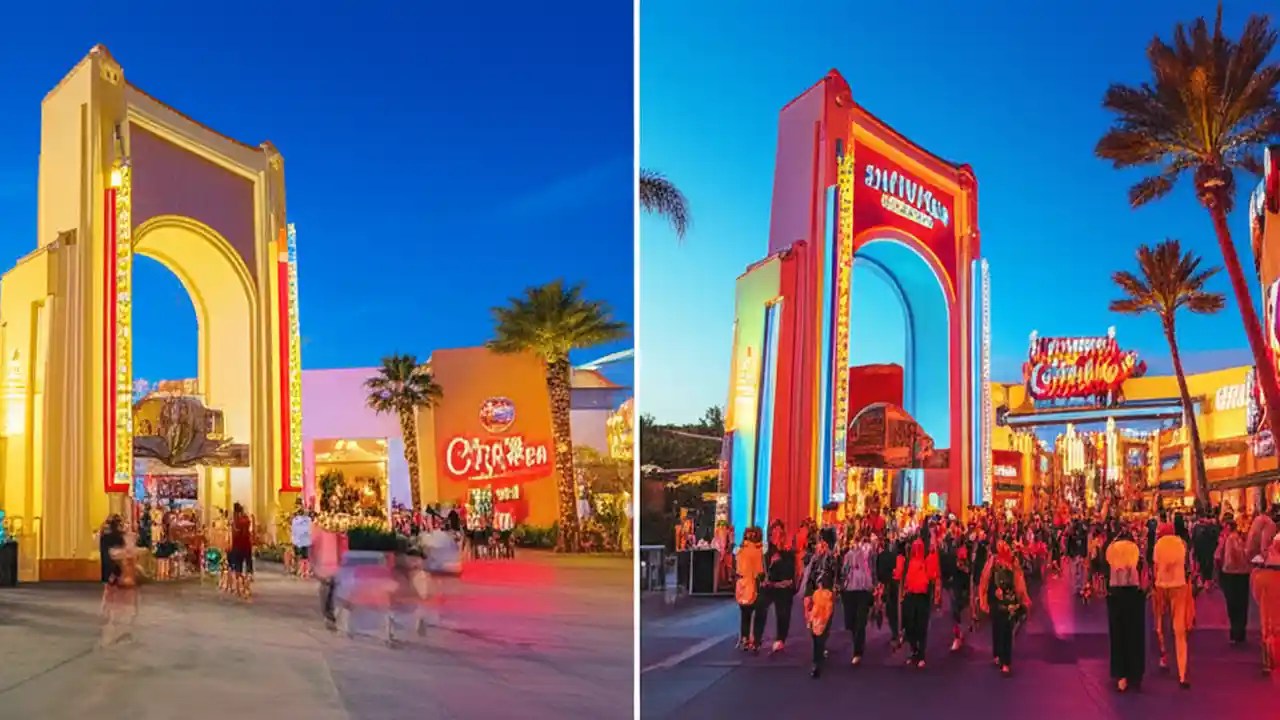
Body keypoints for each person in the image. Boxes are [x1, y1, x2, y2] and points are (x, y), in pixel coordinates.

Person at [978, 538, 1031, 677]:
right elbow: (985, 579)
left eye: (1005, 544)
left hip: (1010, 602)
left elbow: (1019, 580)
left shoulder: (1013, 562)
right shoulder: (993, 561)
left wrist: (1023, 598)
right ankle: (998, 654)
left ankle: (1006, 662)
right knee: (998, 628)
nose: (1004, 547)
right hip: (996, 601)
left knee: (1007, 630)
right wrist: (983, 598)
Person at [1153, 521, 1194, 689]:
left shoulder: (1158, 545)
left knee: (1160, 623)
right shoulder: (1181, 544)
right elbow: (1187, 565)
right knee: (1180, 630)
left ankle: (1164, 654)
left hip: (1162, 586)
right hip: (1179, 585)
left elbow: (1155, 567)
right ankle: (1182, 673)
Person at [1105, 527, 1144, 692]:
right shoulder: (1135, 549)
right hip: (1133, 593)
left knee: (1118, 634)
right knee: (1135, 634)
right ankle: (1135, 674)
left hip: (1115, 593)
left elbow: (1104, 567)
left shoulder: (1111, 549)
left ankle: (1121, 676)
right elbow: (1140, 569)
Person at [896, 536, 940, 668]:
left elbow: (933, 575)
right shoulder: (907, 562)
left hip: (922, 597)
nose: (917, 549)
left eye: (919, 547)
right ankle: (914, 650)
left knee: (921, 626)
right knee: (910, 626)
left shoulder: (926, 561)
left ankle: (921, 654)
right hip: (910, 597)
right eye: (915, 547)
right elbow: (900, 575)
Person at [802, 528, 838, 678]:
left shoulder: (833, 560)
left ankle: (817, 661)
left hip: (827, 596)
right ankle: (818, 654)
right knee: (815, 629)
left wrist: (835, 592)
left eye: (823, 542)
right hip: (816, 596)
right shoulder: (815, 560)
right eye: (819, 542)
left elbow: (837, 578)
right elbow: (810, 579)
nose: (820, 545)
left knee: (821, 629)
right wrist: (807, 596)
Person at [755, 521, 796, 653]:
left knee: (783, 612)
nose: (777, 534)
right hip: (769, 585)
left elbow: (791, 569)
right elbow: (762, 567)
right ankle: (756, 639)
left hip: (783, 586)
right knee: (760, 607)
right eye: (775, 531)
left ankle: (780, 638)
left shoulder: (788, 551)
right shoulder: (767, 549)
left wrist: (782, 556)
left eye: (780, 531)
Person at [839, 531, 875, 665]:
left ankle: (858, 650)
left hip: (863, 592)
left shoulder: (866, 556)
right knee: (851, 622)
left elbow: (871, 571)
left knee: (860, 621)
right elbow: (843, 572)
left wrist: (873, 586)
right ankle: (857, 642)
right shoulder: (847, 556)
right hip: (849, 592)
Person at [1215, 513, 1251, 645]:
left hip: (1232, 574)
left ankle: (1235, 632)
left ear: (1229, 527)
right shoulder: (1240, 539)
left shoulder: (1230, 539)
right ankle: (1240, 632)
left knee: (1233, 604)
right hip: (1242, 573)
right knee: (1242, 604)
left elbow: (1223, 557)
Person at [1250, 534, 1280, 674]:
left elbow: (1256, 592)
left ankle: (1268, 660)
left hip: (1266, 582)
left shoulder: (1268, 554)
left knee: (1267, 624)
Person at [734, 526, 764, 652]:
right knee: (756, 613)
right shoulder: (757, 551)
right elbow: (759, 570)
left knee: (744, 613)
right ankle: (754, 640)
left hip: (741, 583)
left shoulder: (740, 550)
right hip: (753, 583)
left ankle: (744, 638)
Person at [291, 509, 314, 579]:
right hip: (303, 541)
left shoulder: (296, 520)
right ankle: (303, 571)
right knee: (303, 556)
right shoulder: (307, 520)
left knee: (301, 556)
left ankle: (302, 570)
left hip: (300, 541)